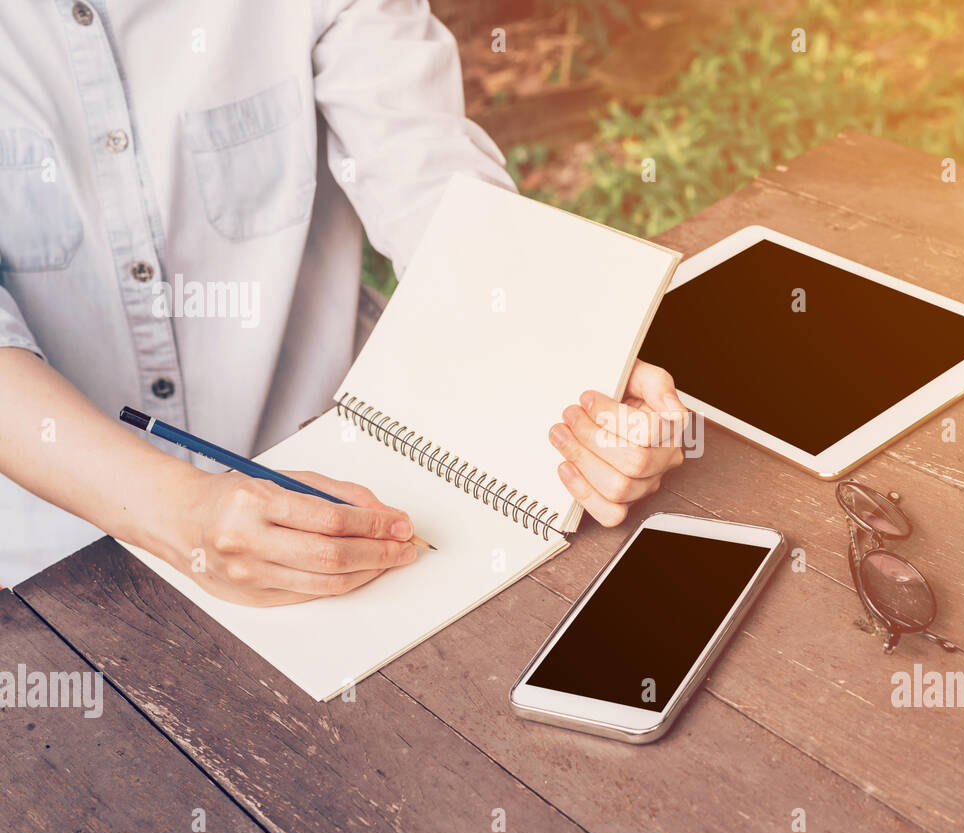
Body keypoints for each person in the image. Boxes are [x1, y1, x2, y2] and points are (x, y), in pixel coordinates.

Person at [0, 0, 685, 605]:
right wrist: (178, 512)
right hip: (57, 571)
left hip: (349, 492)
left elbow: (429, 180)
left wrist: (567, 352)